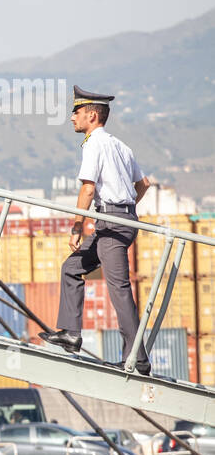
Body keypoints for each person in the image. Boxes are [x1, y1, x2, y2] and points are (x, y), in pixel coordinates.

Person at [39, 86, 153, 374]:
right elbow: (144, 185)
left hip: (112, 224)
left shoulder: (94, 144)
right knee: (72, 267)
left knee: (119, 290)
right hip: (116, 221)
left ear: (91, 115)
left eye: (75, 112)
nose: (71, 117)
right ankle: (71, 334)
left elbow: (88, 188)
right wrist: (126, 209)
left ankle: (137, 358)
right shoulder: (121, 146)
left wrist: (77, 225)